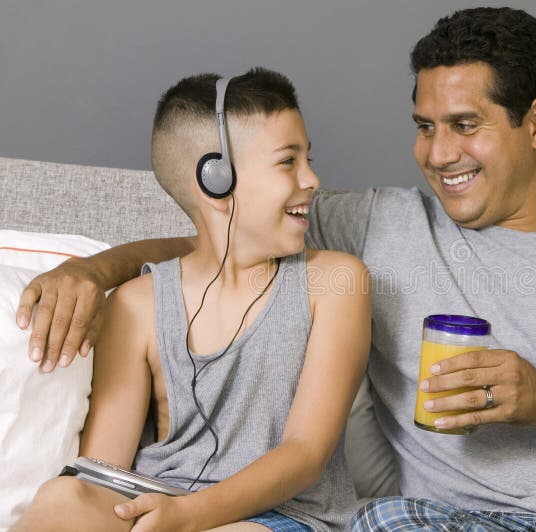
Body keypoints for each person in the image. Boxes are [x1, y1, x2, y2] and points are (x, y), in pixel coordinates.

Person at [16, 7, 536, 531]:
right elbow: (224, 233)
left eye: (465, 126)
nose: (438, 154)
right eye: (424, 127)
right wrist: (97, 269)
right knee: (383, 523)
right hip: (457, 522)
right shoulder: (379, 225)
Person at [13, 68, 370, 531]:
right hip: (157, 503)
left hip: (280, 515)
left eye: (308, 159)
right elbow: (105, 471)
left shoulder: (336, 283)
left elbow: (305, 453)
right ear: (216, 180)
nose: (313, 179)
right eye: (288, 162)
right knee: (65, 495)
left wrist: (187, 516)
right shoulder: (136, 305)